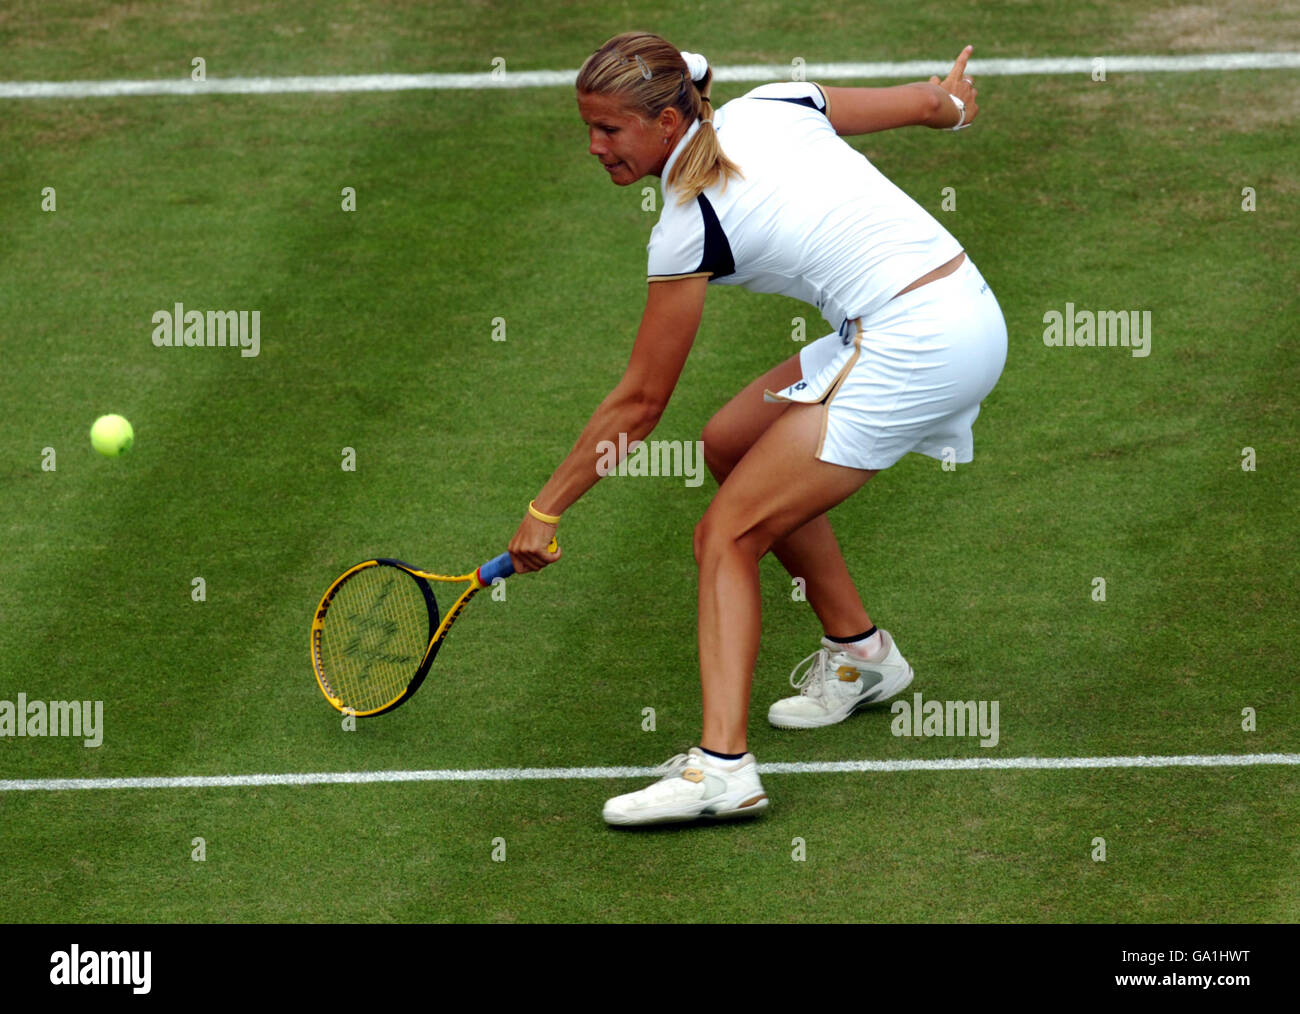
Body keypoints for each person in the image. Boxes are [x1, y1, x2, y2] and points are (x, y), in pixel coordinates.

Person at [507, 31, 1007, 826]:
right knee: (731, 444)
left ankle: (723, 769)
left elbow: (639, 402)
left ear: (668, 124)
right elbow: (924, 104)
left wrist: (547, 507)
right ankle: (861, 655)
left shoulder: (686, 224)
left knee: (725, 537)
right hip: (957, 306)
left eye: (609, 130)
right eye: (589, 128)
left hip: (916, 342)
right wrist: (950, 105)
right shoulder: (775, 103)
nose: (594, 147)